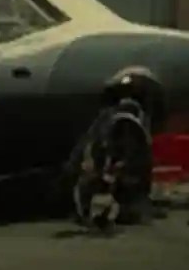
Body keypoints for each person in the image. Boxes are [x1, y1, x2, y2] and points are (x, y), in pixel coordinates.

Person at [66, 90, 154, 230]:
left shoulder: (131, 131)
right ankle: (91, 212)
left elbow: (136, 162)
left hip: (123, 177)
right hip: (103, 171)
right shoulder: (105, 129)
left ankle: (118, 209)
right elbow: (90, 152)